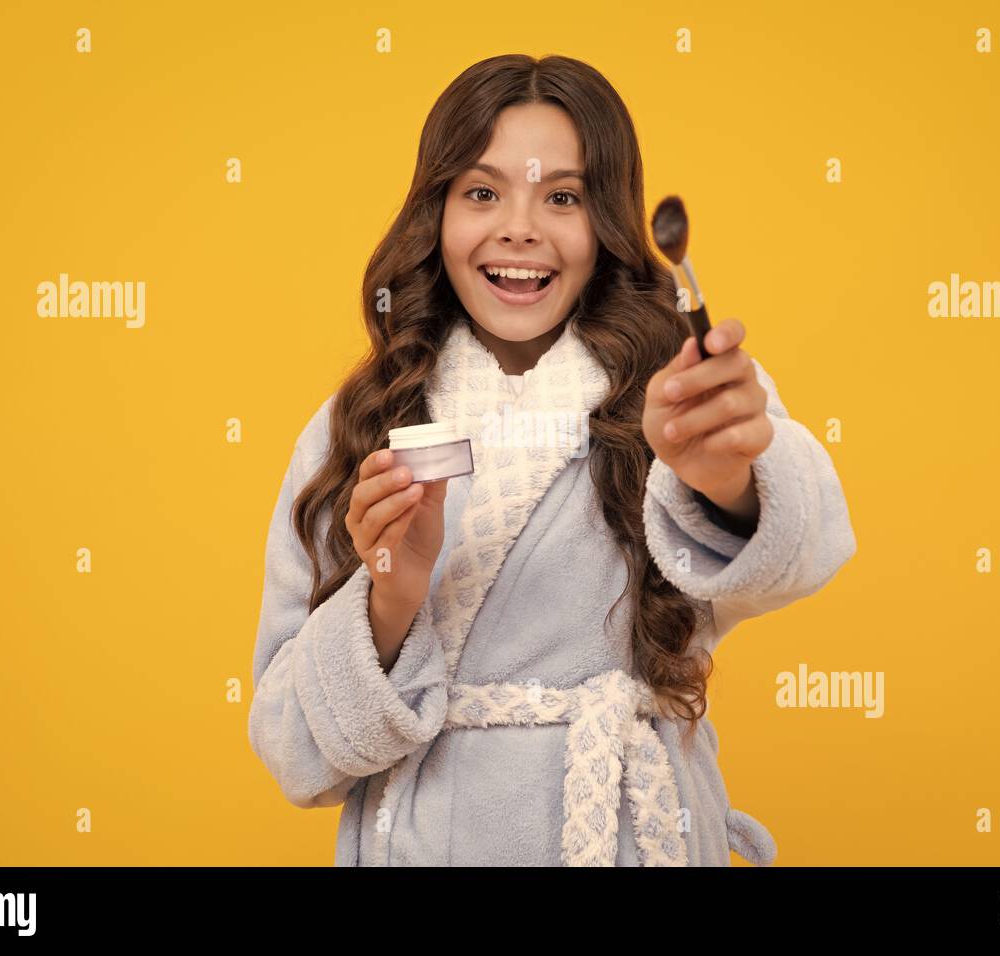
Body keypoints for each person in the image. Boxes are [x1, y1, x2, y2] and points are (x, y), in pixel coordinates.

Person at [248, 53, 857, 866]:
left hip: (633, 834)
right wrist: (391, 596)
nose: (520, 228)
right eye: (481, 192)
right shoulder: (355, 429)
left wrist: (726, 481)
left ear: (606, 225)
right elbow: (295, 755)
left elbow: (802, 554)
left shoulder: (679, 397)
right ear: (435, 213)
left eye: (562, 197)